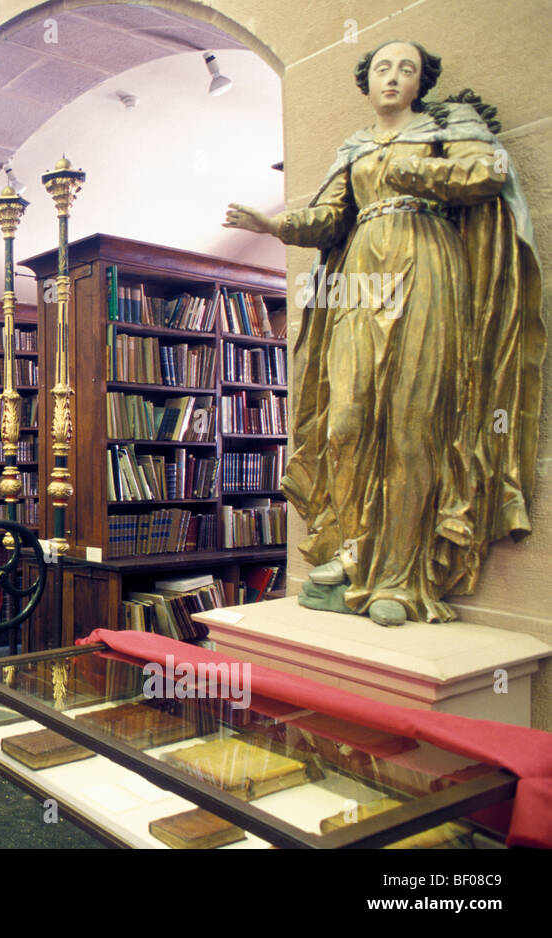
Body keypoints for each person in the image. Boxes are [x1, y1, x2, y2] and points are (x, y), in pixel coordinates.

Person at [224, 40, 543, 626]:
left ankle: (397, 577)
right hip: (360, 276)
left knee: (413, 426)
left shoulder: (445, 126)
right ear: (366, 82)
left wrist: (413, 171)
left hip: (428, 264)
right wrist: (271, 224)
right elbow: (330, 220)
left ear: (422, 83)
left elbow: (489, 173)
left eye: (407, 69)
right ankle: (354, 549)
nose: (393, 77)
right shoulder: (355, 146)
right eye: (381, 69)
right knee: (345, 421)